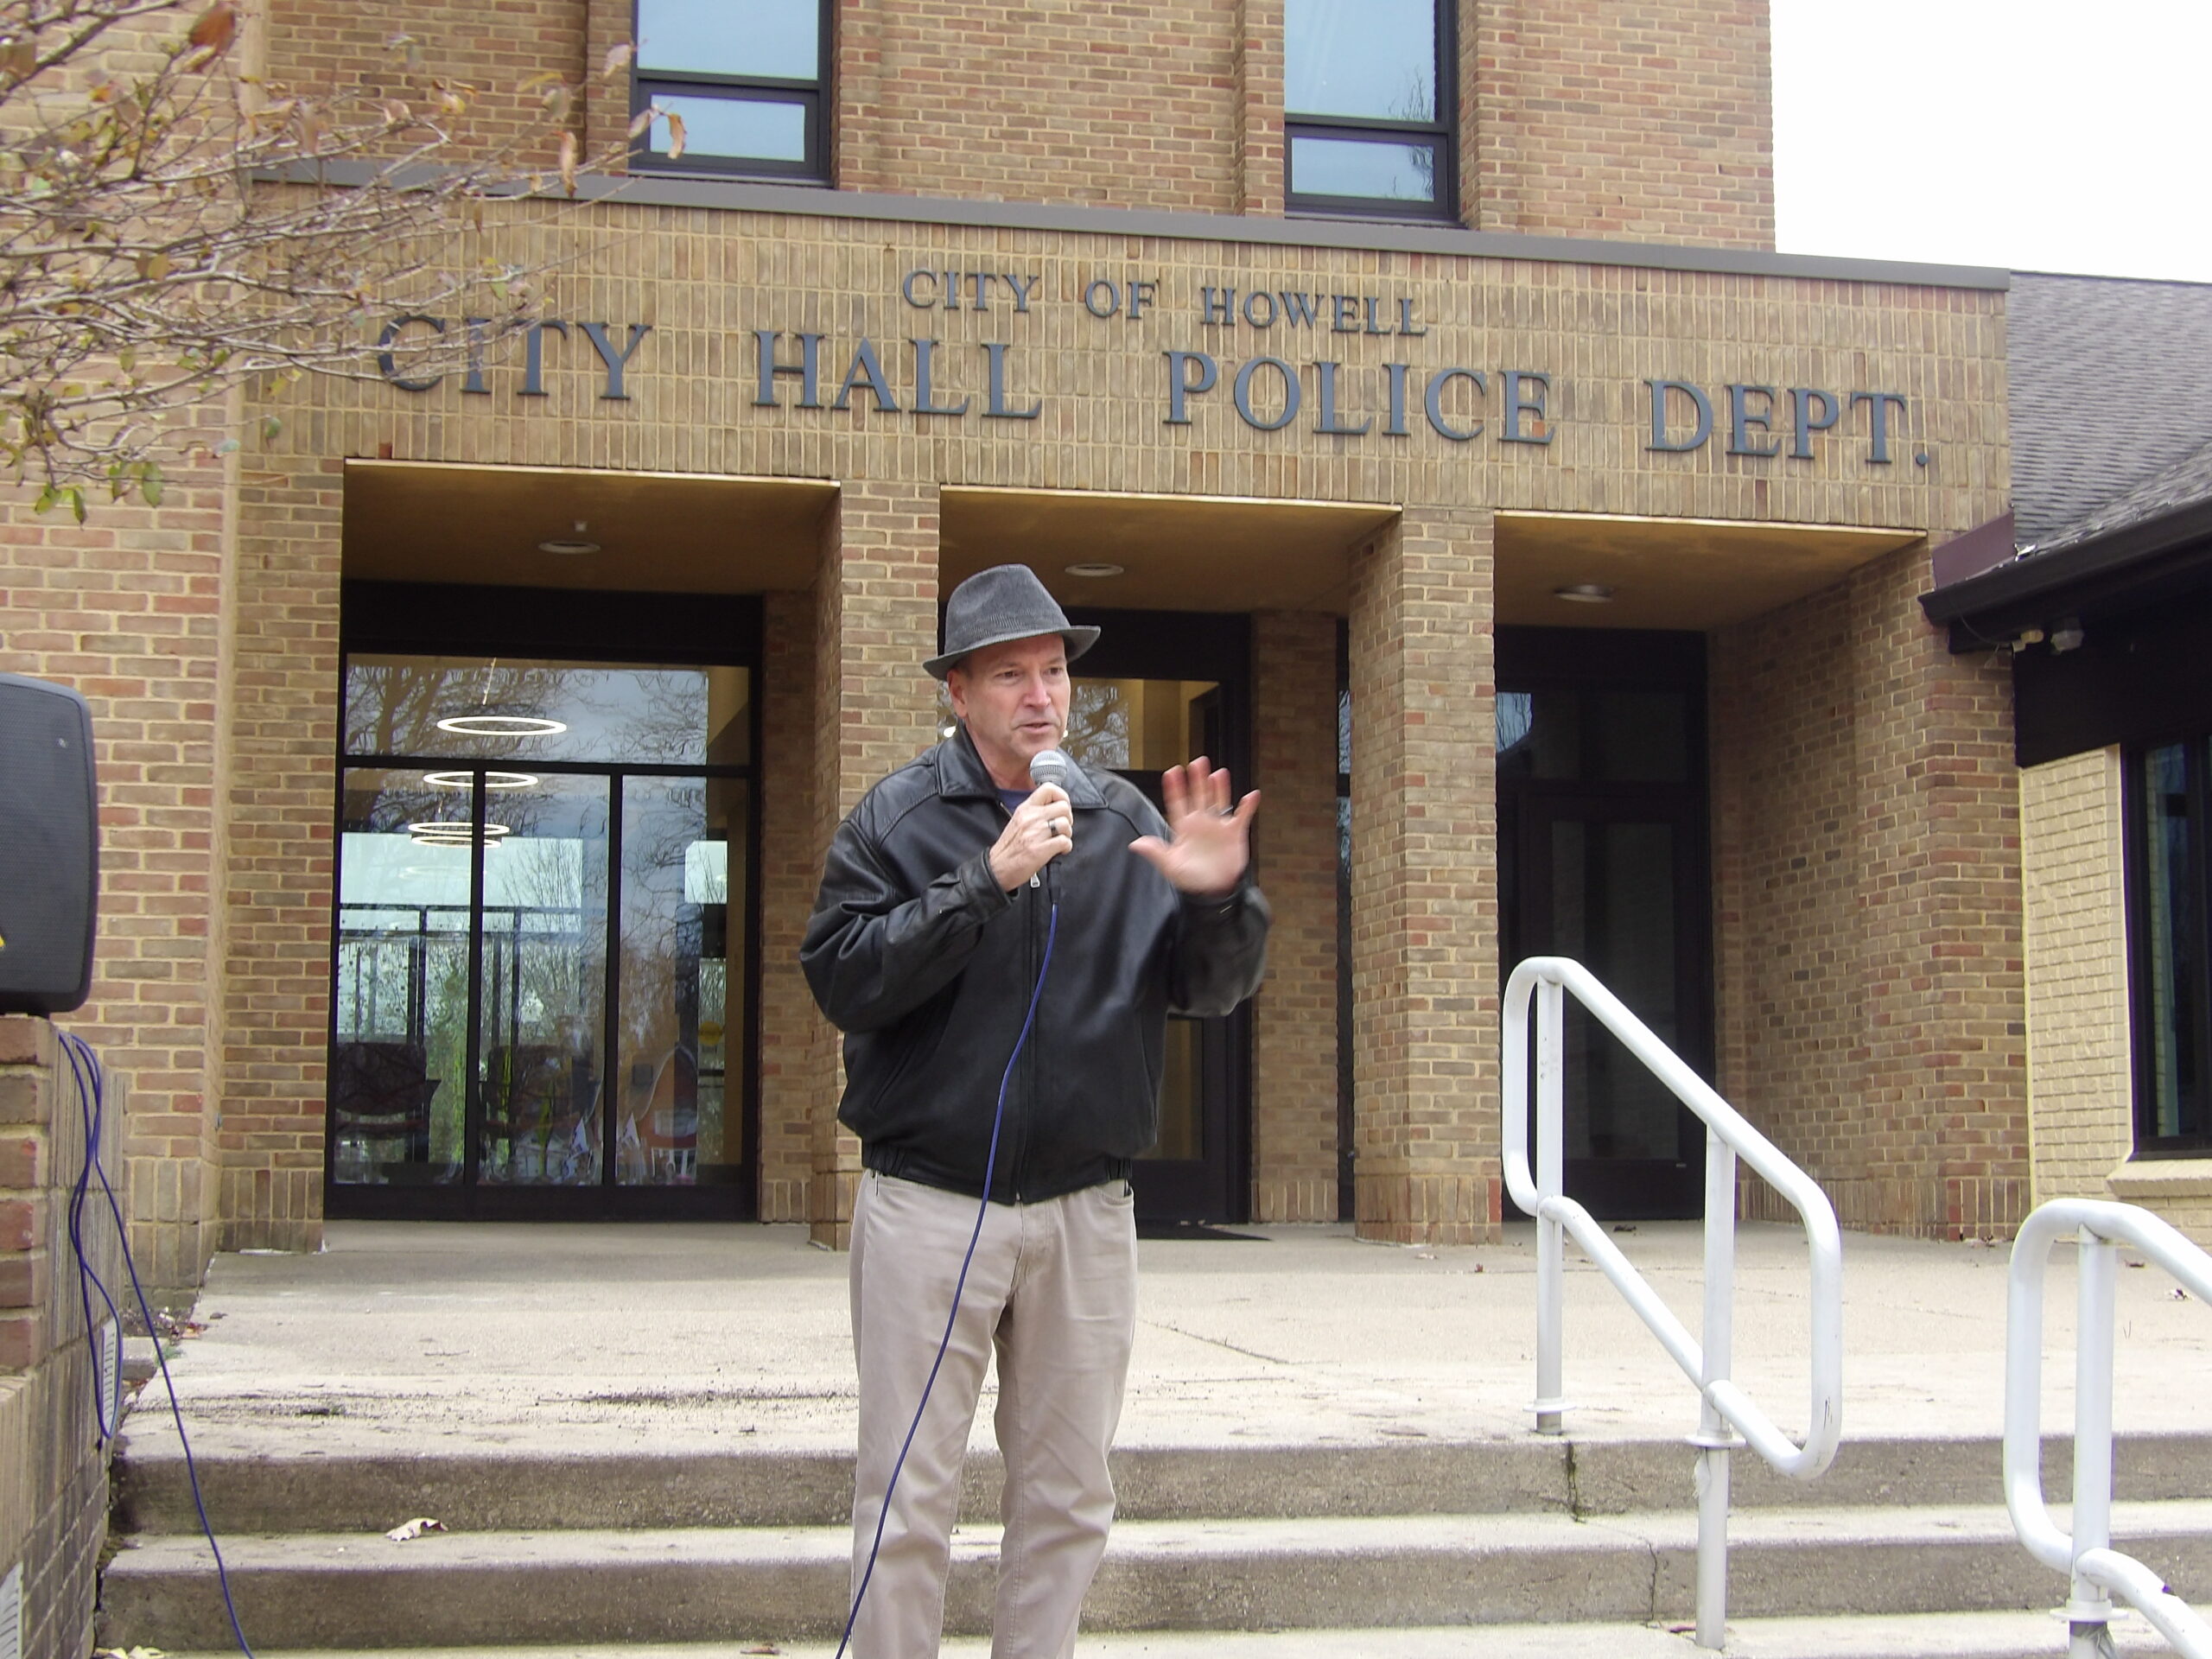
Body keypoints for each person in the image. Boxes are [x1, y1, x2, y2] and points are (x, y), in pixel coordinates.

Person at [800, 563, 1271, 1659]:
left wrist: (1218, 901)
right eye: (1009, 673)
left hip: (1084, 1212)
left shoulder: (1120, 819)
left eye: (1053, 671)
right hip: (931, 1205)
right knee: (909, 1498)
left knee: (1067, 1499)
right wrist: (985, 882)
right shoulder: (899, 819)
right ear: (957, 693)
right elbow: (842, 979)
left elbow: (1207, 991)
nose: (1039, 695)